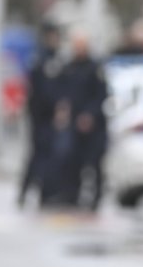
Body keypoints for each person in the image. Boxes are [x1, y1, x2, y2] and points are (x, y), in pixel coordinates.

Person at [58, 33, 109, 211]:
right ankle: (73, 196)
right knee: (73, 161)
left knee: (95, 163)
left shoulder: (95, 68)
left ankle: (96, 198)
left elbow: (102, 95)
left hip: (95, 125)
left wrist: (89, 115)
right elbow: (64, 94)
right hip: (74, 124)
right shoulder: (69, 67)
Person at [18, 22, 64, 208]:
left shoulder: (56, 58)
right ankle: (27, 191)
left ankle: (46, 194)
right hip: (39, 116)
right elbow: (38, 90)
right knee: (38, 156)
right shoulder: (40, 58)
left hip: (52, 116)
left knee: (49, 156)